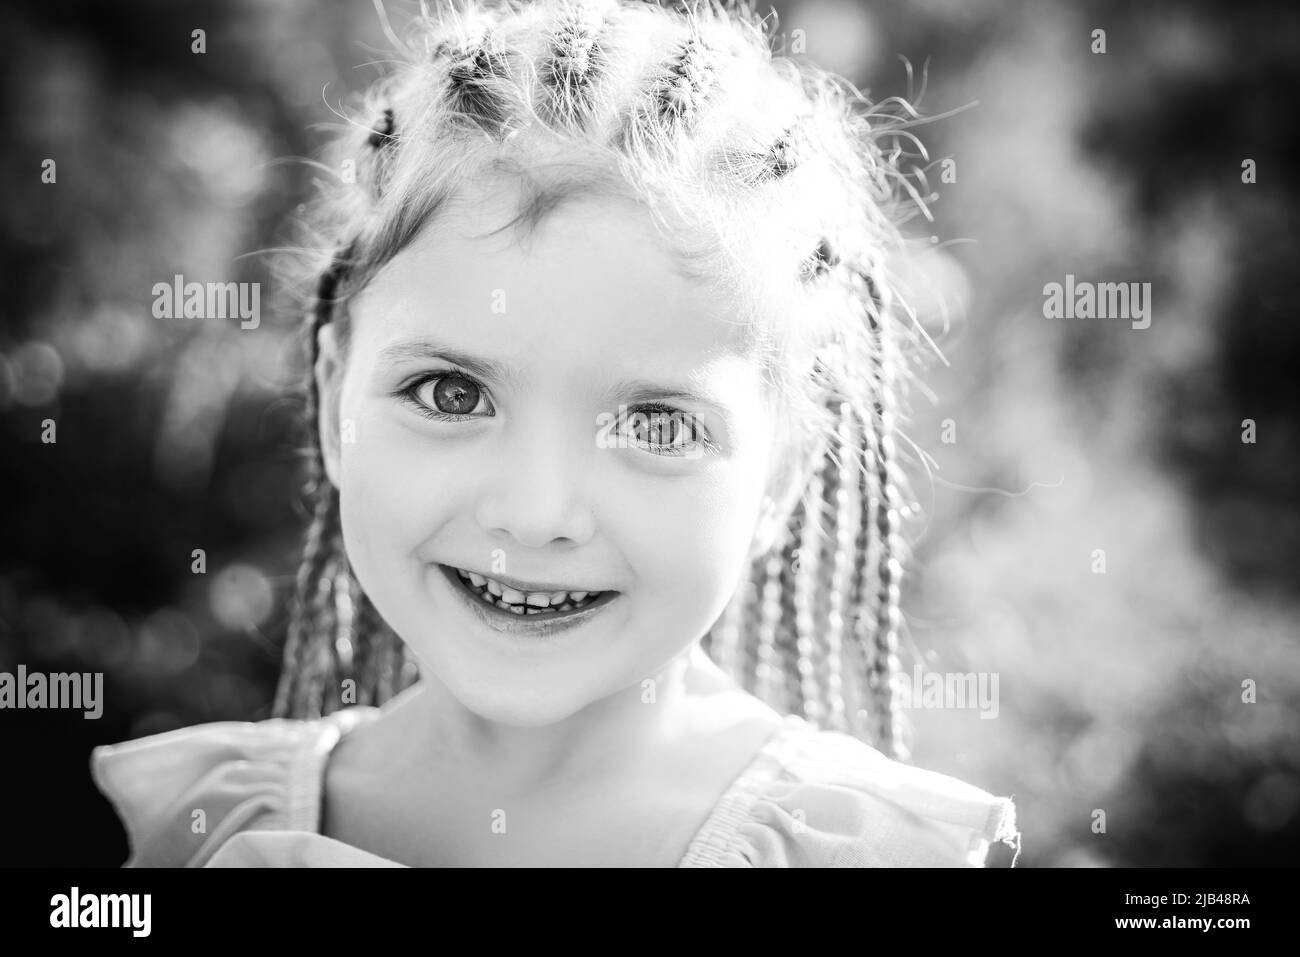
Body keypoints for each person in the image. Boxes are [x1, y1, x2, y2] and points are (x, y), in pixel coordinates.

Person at [92, 0, 1020, 867]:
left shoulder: (856, 851)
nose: (534, 515)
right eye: (451, 395)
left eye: (656, 424)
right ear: (338, 401)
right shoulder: (217, 825)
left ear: (781, 473)